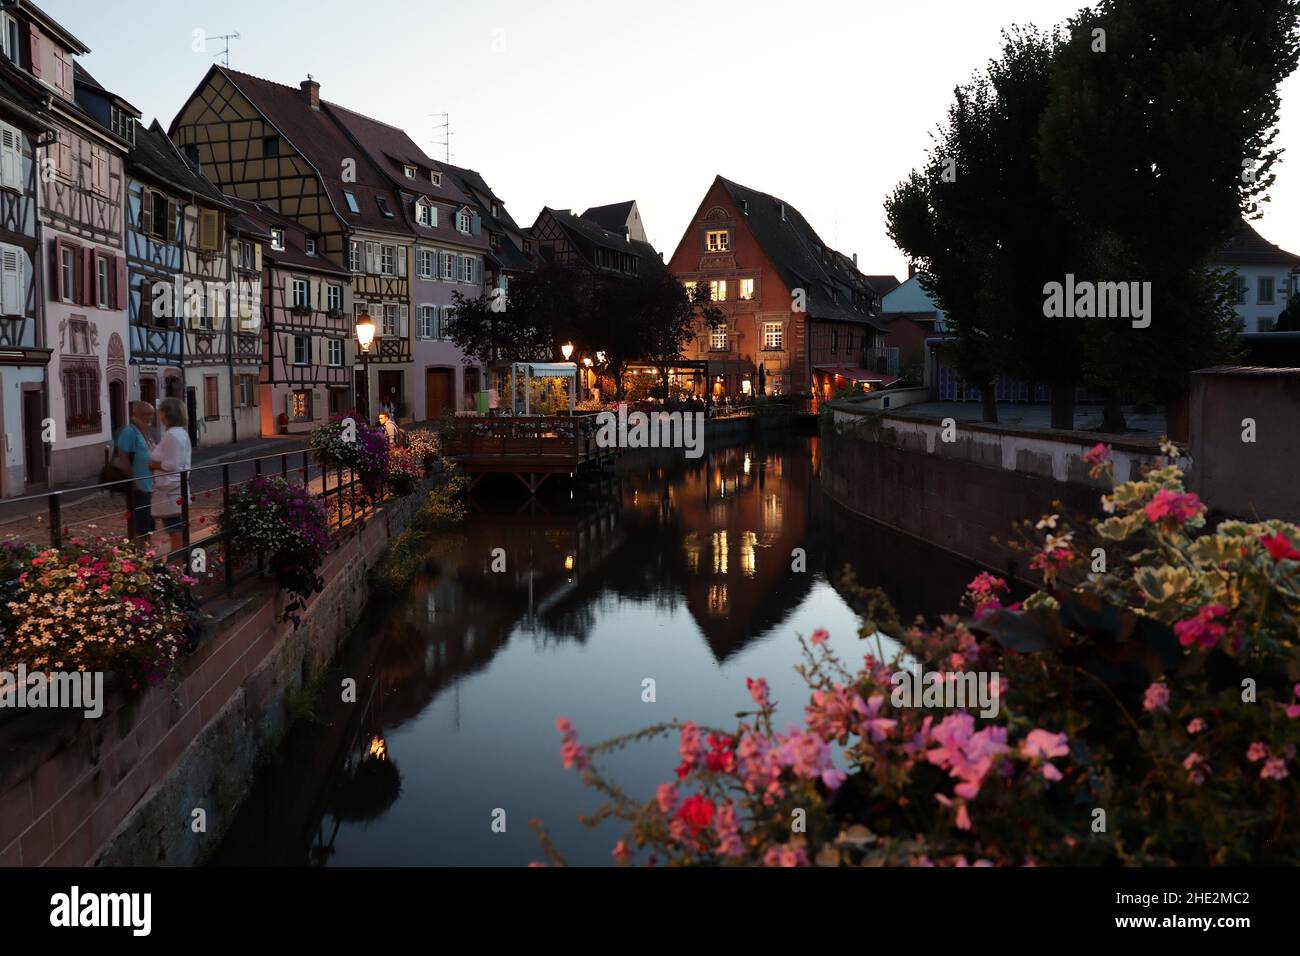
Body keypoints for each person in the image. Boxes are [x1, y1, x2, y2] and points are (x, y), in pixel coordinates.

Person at [149, 397, 192, 557]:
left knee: (176, 533)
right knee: (176, 531)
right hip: (174, 489)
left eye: (160, 413)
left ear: (166, 414)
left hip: (170, 491)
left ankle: (178, 571)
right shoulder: (180, 433)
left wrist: (152, 465)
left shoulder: (172, 435)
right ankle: (178, 569)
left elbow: (171, 465)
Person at [116, 401, 156, 539]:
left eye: (151, 414)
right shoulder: (129, 432)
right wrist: (134, 483)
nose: (149, 417)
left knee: (148, 525)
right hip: (138, 487)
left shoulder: (145, 432)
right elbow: (124, 460)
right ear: (135, 415)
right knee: (140, 526)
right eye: (145, 414)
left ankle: (147, 554)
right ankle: (139, 555)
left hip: (149, 486)